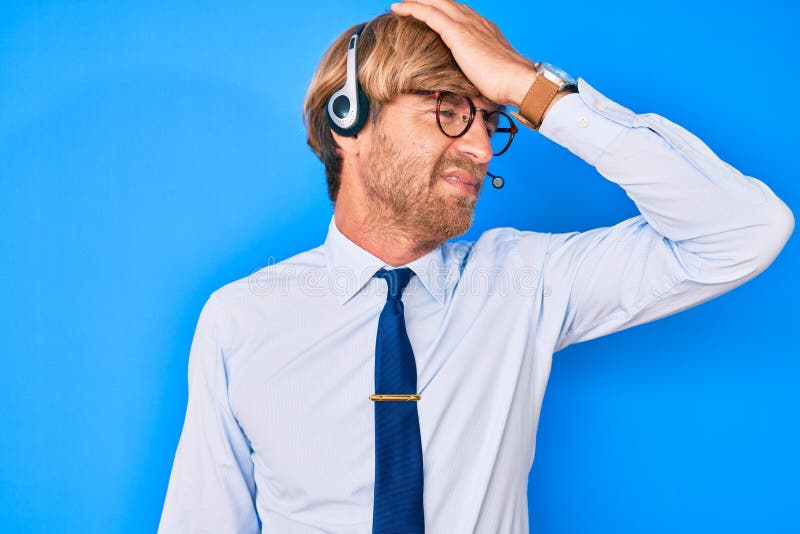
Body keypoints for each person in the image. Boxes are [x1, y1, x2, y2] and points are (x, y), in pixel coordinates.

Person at [158, 1, 794, 533]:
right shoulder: (241, 320)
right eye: (449, 110)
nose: (482, 148)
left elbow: (745, 231)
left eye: (490, 121)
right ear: (349, 121)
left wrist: (532, 88)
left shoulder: (527, 283)